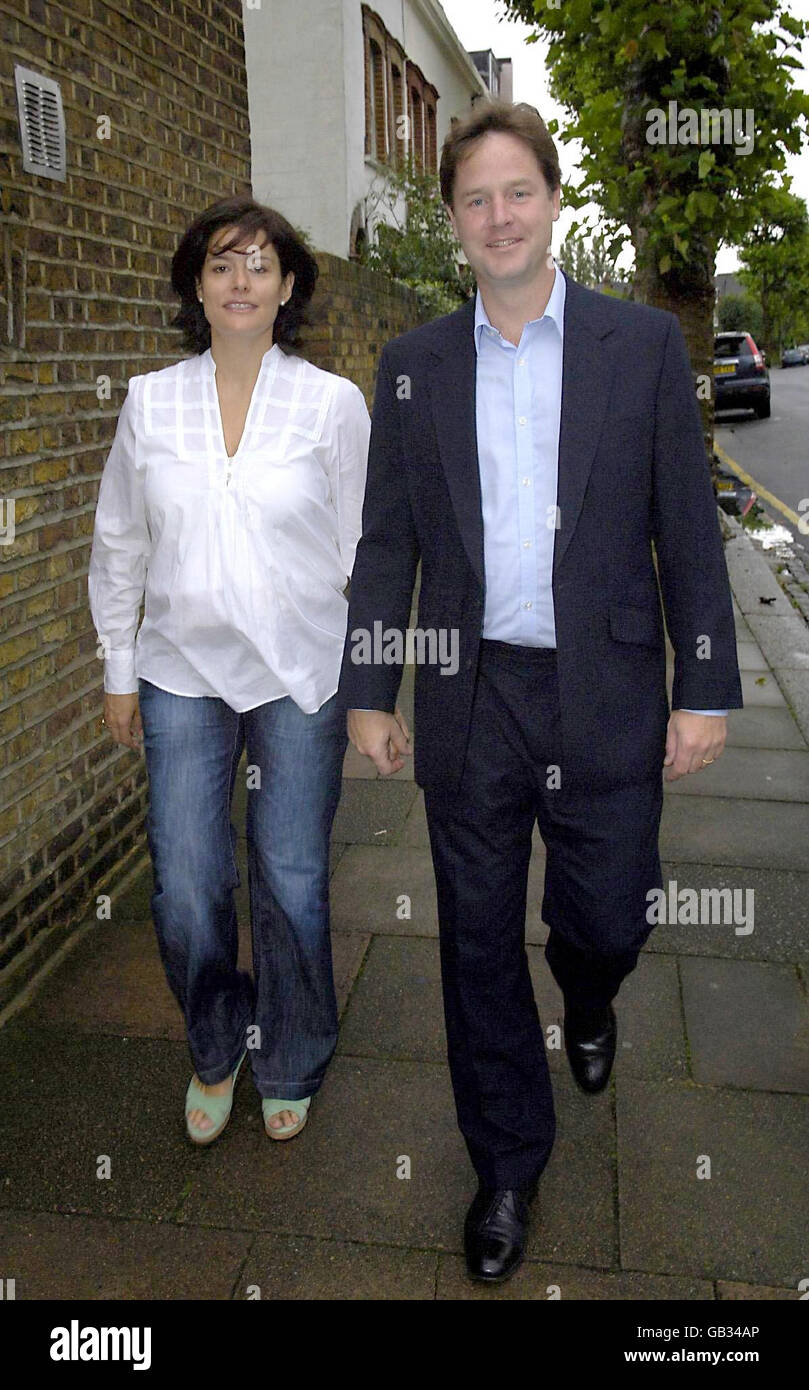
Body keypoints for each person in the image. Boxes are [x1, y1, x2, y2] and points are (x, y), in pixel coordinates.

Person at [340, 101, 742, 1282]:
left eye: (517, 191)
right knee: (470, 943)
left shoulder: (641, 346)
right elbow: (384, 543)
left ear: (553, 201)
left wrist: (704, 684)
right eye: (474, 198)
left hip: (606, 687)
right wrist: (371, 685)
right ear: (453, 220)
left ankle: (590, 986)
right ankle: (507, 1162)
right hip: (469, 698)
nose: (497, 216)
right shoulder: (412, 365)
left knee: (607, 914)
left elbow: (686, 525)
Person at [89, 195, 369, 1146]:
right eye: (221, 263)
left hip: (301, 675)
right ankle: (216, 1042)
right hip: (180, 672)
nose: (240, 279)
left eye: (259, 264)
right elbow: (120, 543)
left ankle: (290, 1051)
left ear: (288, 286)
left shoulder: (333, 405)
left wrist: (367, 685)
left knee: (289, 876)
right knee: (187, 880)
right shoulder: (149, 401)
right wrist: (117, 670)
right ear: (196, 287)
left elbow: (359, 551)